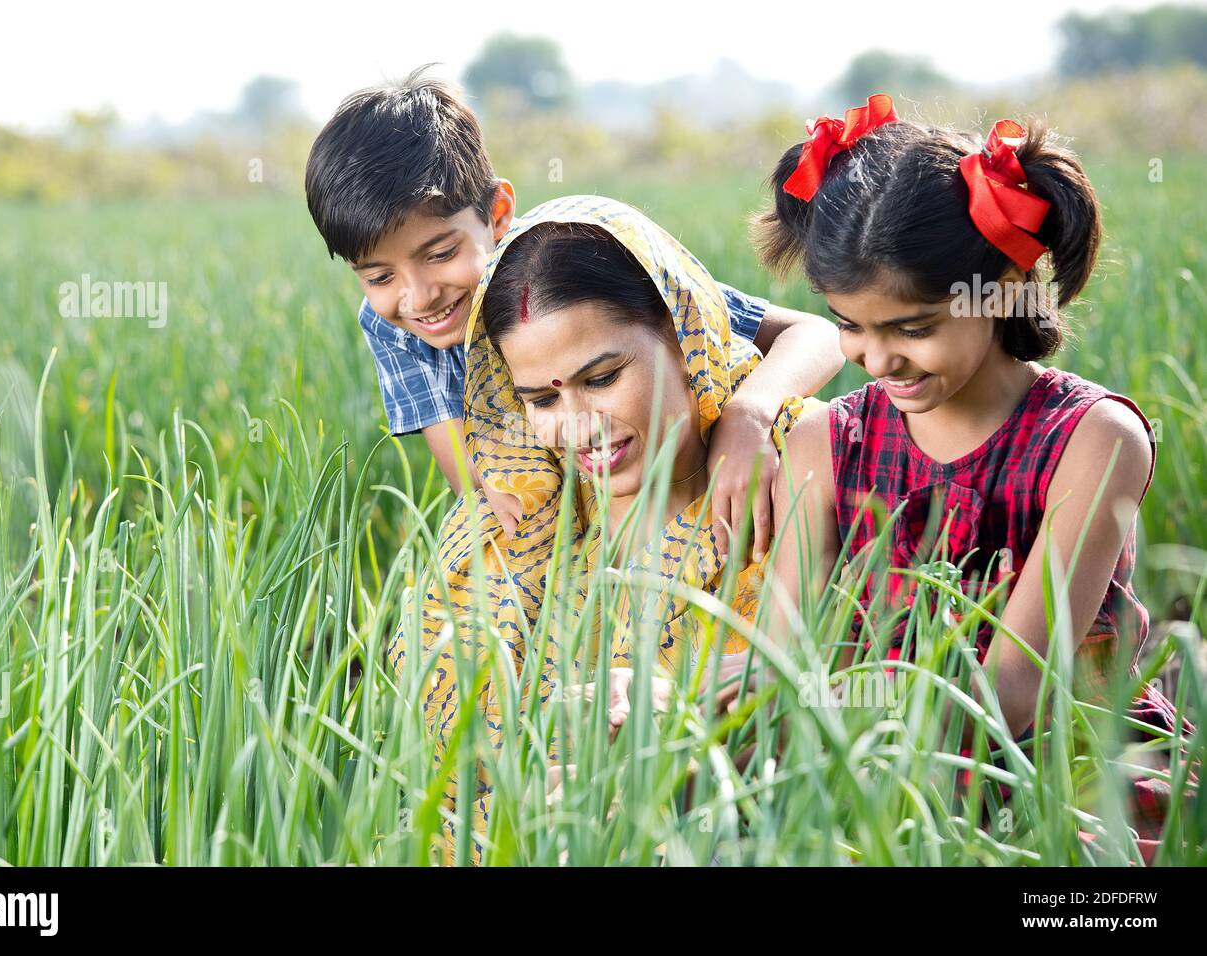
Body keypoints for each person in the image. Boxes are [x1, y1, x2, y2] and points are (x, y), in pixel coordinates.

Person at [744, 94, 1194, 863]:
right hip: (865, 745)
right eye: (849, 325)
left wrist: (851, 724)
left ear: (1005, 286)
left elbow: (1015, 690)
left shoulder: (1091, 440)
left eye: (914, 329)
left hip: (1053, 752)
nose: (879, 361)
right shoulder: (824, 440)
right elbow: (785, 655)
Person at [388, 195, 817, 862]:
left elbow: (853, 708)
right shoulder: (511, 531)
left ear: (685, 338)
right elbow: (439, 772)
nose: (578, 424)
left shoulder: (797, 474)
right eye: (542, 398)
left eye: (604, 377)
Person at [304, 67, 842, 562]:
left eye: (441, 254)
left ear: (497, 214)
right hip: (578, 512)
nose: (418, 297)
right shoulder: (392, 327)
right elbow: (481, 485)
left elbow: (816, 333)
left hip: (695, 486)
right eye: (379, 277)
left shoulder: (569, 269)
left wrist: (747, 417)